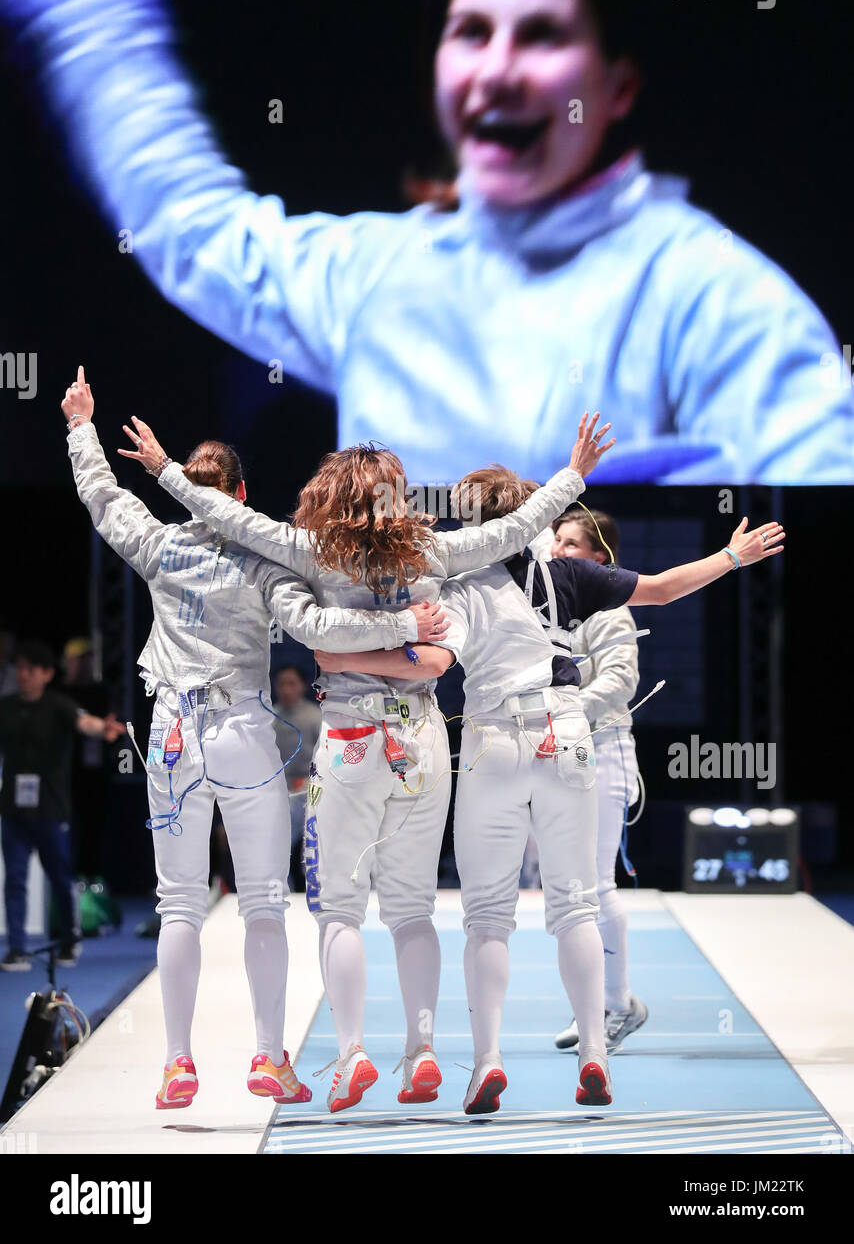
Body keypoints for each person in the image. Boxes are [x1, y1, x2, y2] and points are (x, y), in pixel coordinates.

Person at [1, 0, 852, 483]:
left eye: (544, 37)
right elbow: (184, 225)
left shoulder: (717, 293)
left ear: (616, 84)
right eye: (472, 33)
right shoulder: (375, 274)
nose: (499, 69)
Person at [120, 408, 613, 1111]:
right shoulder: (430, 555)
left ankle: (352, 1052)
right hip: (422, 742)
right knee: (413, 911)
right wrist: (573, 474)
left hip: (349, 742)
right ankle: (421, 1052)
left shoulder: (310, 551)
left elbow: (233, 526)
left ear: (331, 494)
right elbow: (512, 529)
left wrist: (166, 470)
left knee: (340, 912)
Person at [314, 469, 785, 1111]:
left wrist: (340, 656)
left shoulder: (455, 581)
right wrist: (733, 556)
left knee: (487, 917)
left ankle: (486, 1064)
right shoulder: (570, 574)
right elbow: (663, 590)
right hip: (567, 735)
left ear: (472, 521)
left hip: (495, 742)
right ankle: (595, 1053)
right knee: (576, 906)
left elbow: (426, 662)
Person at [60, 366, 446, 1112]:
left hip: (171, 733)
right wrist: (403, 626)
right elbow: (320, 631)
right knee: (265, 901)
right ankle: (269, 1059)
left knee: (178, 903)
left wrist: (81, 426)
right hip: (240, 729)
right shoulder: (265, 557)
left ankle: (178, 1064)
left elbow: (103, 497)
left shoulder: (155, 544)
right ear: (238, 497)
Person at [536, 509, 649, 1052]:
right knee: (571, 888)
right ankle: (595, 1007)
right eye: (556, 540)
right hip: (560, 754)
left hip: (603, 751)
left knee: (596, 883)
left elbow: (621, 680)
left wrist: (565, 708)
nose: (558, 550)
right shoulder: (552, 605)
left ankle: (618, 1005)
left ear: (600, 558)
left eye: (572, 544)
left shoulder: (611, 607)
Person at [0, 639, 125, 972]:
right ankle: (16, 948)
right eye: (21, 669)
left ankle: (70, 939)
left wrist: (103, 728)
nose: (24, 675)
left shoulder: (59, 705)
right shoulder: (7, 707)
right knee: (14, 880)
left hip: (51, 809)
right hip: (13, 809)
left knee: (60, 875)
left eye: (31, 670)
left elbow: (85, 723)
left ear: (46, 674)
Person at [62, 637, 111, 881]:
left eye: (88, 658)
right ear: (68, 662)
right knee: (66, 829)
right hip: (65, 775)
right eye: (79, 659)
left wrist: (124, 767)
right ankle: (67, 880)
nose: (84, 664)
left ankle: (91, 880)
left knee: (94, 828)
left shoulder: (101, 692)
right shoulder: (60, 695)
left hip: (95, 773)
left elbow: (113, 732)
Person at [271, 665, 321, 892]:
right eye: (282, 684)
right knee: (278, 843)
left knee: (312, 843)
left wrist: (308, 780)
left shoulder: (315, 716)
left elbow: (324, 755)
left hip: (311, 789)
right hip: (280, 791)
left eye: (292, 683)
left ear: (301, 686)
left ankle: (316, 886)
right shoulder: (268, 717)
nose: (286, 689)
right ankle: (282, 888)